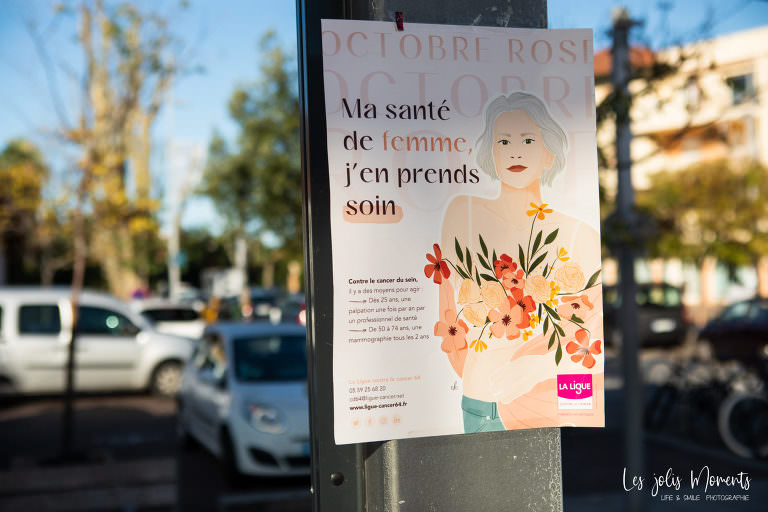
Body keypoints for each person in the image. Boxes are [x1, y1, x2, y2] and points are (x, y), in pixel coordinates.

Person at [435, 91, 603, 433]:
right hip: (483, 399)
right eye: (503, 141)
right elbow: (452, 312)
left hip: (548, 400)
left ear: (548, 153)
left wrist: (537, 368)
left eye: (528, 140)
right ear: (491, 153)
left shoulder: (578, 234)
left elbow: (593, 334)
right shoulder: (463, 212)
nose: (515, 150)